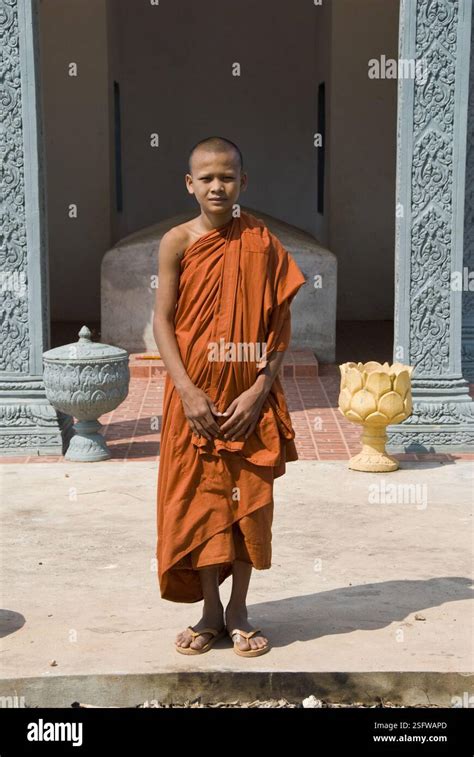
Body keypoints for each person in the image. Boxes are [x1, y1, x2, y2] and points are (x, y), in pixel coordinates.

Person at [153, 136, 306, 657]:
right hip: (193, 402)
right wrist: (187, 391)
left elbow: (279, 327)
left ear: (244, 182)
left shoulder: (263, 243)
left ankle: (239, 609)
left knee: (246, 507)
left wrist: (260, 390)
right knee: (196, 506)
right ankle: (209, 613)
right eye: (207, 177)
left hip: (248, 403)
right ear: (190, 184)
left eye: (228, 176)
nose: (218, 185)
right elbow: (163, 320)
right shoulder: (176, 241)